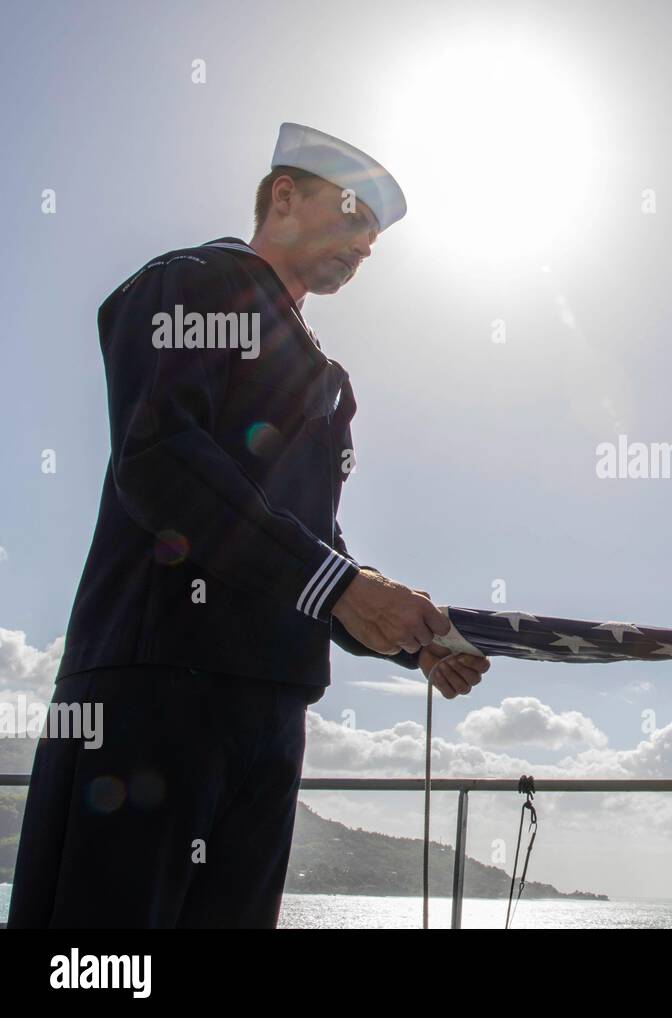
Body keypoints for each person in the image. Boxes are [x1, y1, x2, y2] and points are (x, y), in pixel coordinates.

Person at [7, 123, 489, 929]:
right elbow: (160, 458)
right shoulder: (192, 281)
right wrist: (339, 586)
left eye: (373, 241)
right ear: (284, 196)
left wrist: (408, 636)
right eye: (350, 216)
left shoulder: (326, 377)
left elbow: (311, 541)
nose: (364, 246)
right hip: (154, 687)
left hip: (271, 708)